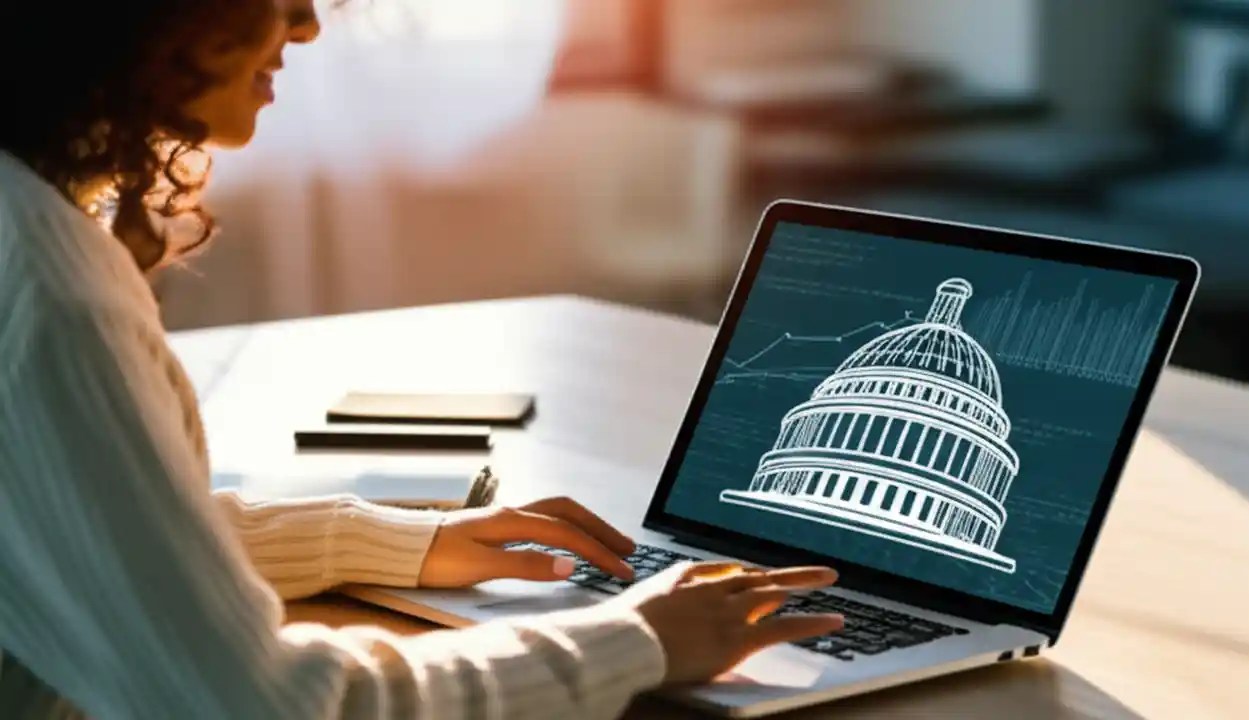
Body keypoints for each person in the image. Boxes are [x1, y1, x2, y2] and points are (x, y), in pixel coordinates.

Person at [0, 2, 844, 717]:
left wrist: (400, 543)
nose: (304, 26)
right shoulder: (57, 294)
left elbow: (110, 541)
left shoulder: (25, 218)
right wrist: (632, 642)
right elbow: (263, 703)